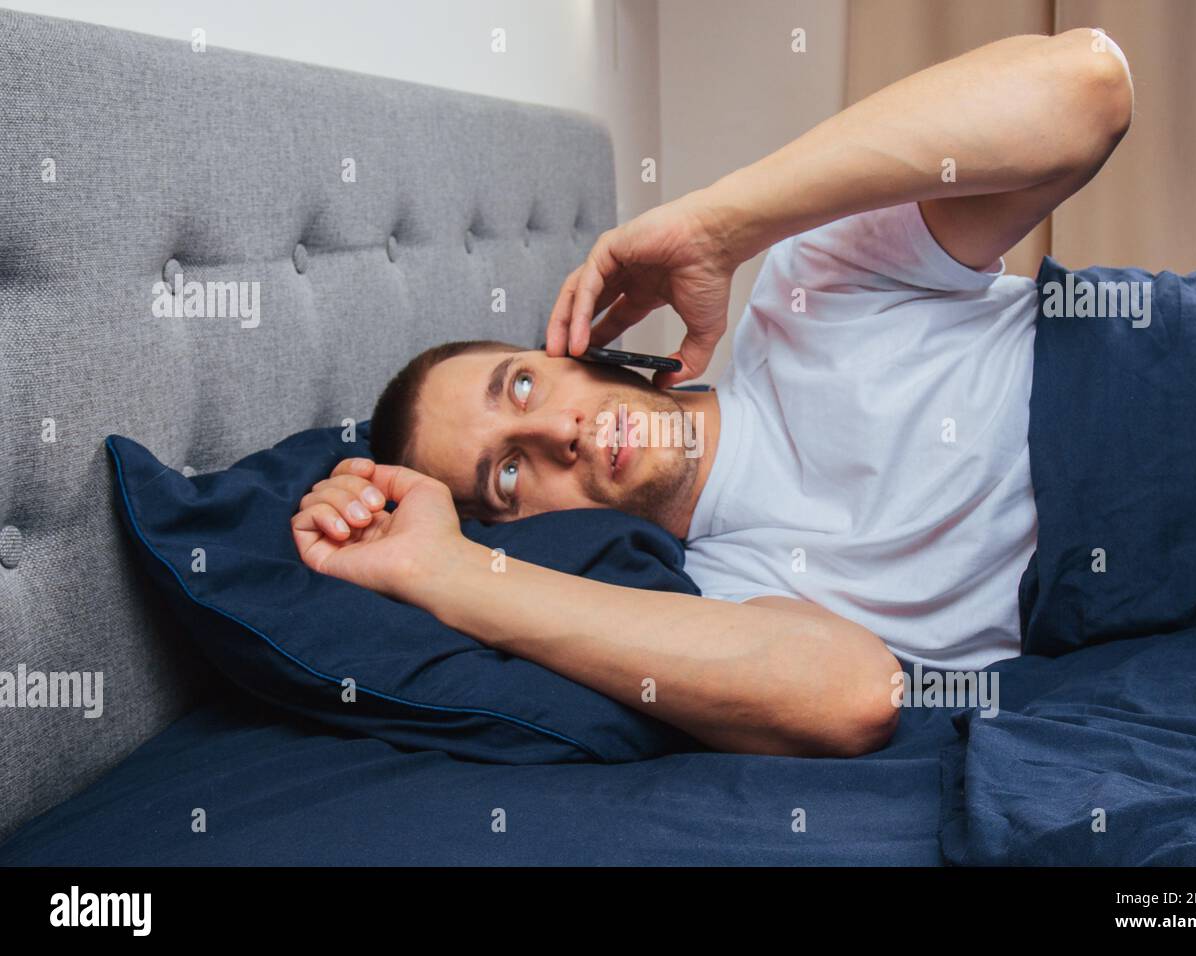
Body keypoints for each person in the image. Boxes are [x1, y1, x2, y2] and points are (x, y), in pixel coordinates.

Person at [290, 28, 1134, 757]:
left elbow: (1089, 91)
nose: (560, 432)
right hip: (1186, 591)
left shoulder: (815, 286)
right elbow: (856, 698)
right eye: (508, 477)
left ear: (582, 347)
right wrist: (443, 570)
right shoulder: (716, 598)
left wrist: (721, 225)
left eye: (522, 385)